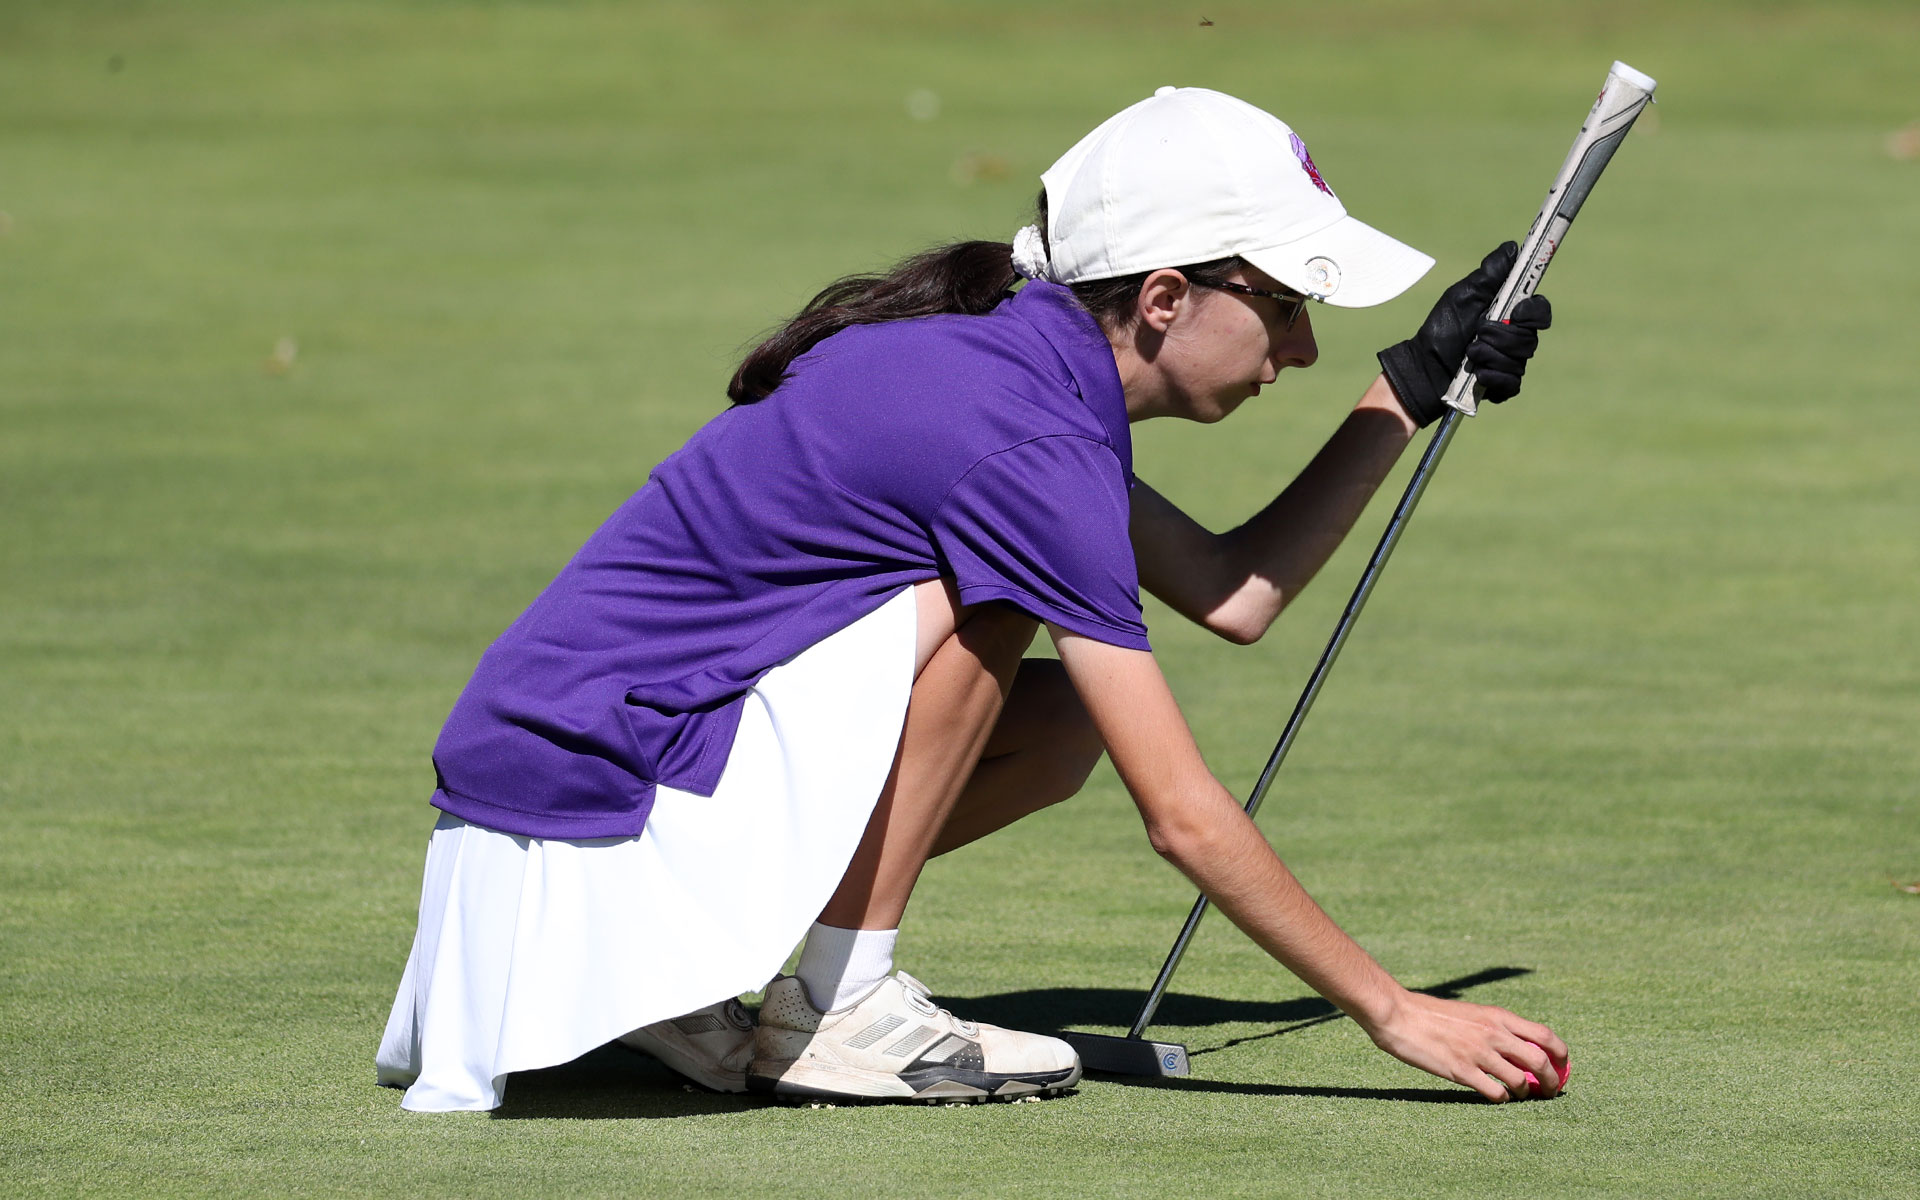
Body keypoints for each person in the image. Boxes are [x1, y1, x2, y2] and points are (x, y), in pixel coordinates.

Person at [375, 85, 1564, 1111]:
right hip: (590, 821)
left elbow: (1230, 594)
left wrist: (1406, 390)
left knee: (1056, 719)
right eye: (1289, 307)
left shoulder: (1005, 371)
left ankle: (694, 980)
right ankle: (842, 1007)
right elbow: (1184, 814)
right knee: (993, 602)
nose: (1297, 354)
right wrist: (1391, 1011)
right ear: (1162, 298)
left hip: (567, 820)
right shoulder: (1022, 447)